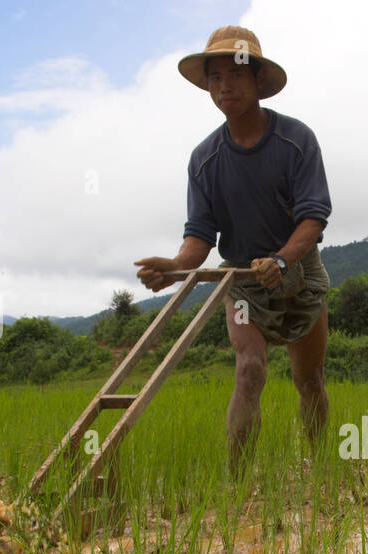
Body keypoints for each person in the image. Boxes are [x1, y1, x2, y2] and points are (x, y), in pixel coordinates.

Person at [134, 26, 332, 476]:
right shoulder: (204, 158)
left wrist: (282, 259)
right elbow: (200, 234)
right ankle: (235, 485)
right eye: (216, 77)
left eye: (237, 74)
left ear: (258, 79)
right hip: (242, 284)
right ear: (208, 86)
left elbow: (313, 217)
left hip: (299, 273)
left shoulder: (295, 140)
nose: (226, 85)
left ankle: (321, 471)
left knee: (308, 379)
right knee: (250, 369)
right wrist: (177, 266)